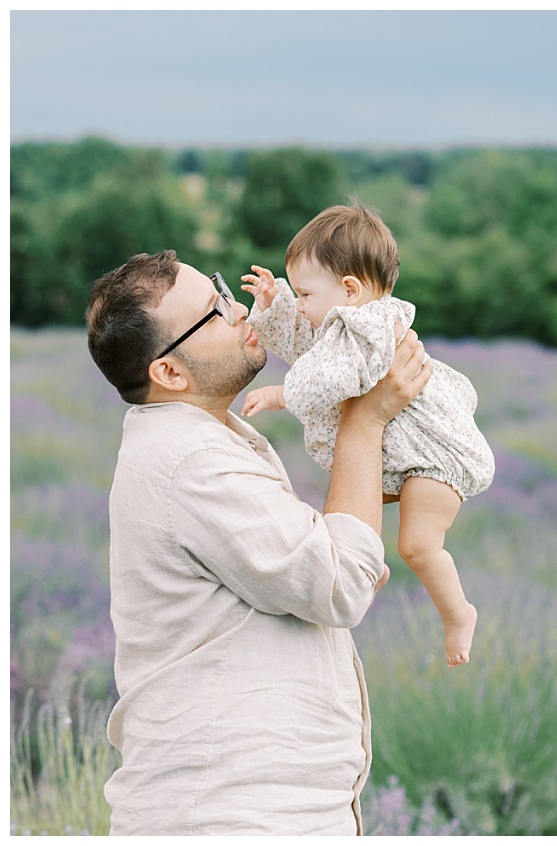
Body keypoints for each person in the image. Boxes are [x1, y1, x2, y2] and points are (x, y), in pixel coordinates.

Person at [85, 249, 432, 835]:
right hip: (232, 813)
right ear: (169, 373)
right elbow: (342, 586)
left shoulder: (202, 444)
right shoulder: (193, 462)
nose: (241, 309)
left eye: (223, 290)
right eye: (215, 311)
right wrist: (365, 419)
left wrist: (342, 551)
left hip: (250, 805)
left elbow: (322, 569)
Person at [240, 201, 494, 667]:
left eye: (304, 295)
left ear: (351, 290)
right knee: (351, 513)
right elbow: (307, 346)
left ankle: (458, 613)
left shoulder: (367, 326)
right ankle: (359, 567)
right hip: (406, 455)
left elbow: (323, 377)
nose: (301, 306)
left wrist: (278, 394)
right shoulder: (348, 322)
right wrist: (274, 308)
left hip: (433, 459)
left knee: (417, 545)